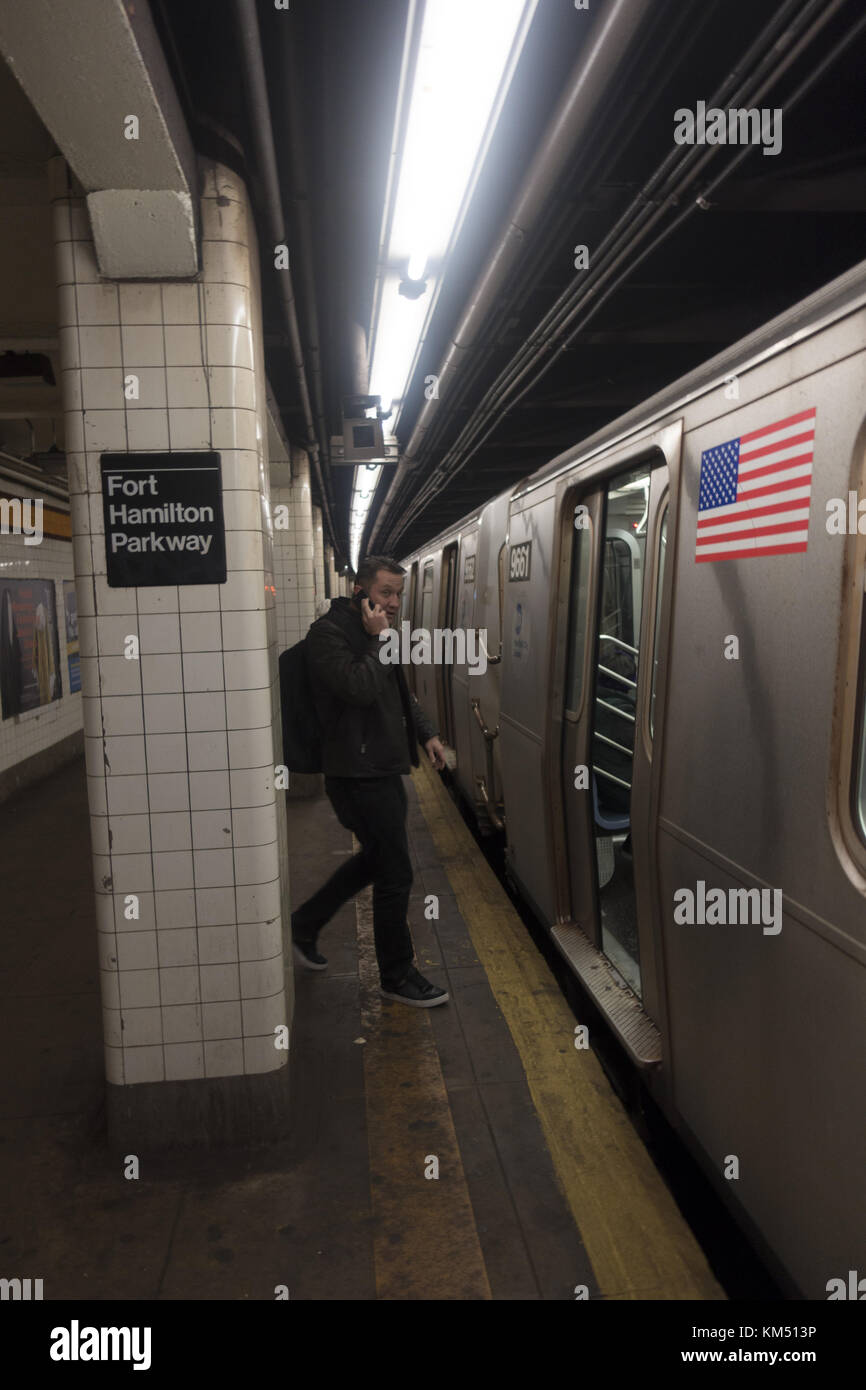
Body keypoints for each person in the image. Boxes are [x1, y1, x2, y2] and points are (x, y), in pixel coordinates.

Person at [291, 555, 450, 1008]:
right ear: (361, 592)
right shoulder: (327, 635)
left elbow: (397, 692)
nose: (394, 602)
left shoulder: (380, 636)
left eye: (399, 594)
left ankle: (304, 923)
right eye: (386, 593)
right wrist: (382, 643)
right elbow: (358, 687)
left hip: (382, 768)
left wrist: (427, 734)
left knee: (376, 863)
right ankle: (396, 976)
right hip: (354, 776)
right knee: (395, 873)